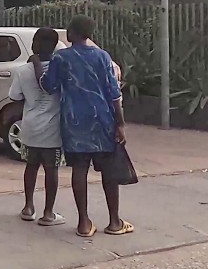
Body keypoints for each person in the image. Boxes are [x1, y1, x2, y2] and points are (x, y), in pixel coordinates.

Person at [37, 15, 131, 238]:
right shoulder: (102, 56)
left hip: (73, 121)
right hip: (102, 120)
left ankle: (84, 224)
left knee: (79, 169)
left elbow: (49, 86)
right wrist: (120, 123)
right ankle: (115, 222)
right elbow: (114, 93)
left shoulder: (61, 58)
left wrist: (37, 67)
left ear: (73, 33)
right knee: (108, 170)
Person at [9, 28, 64, 226]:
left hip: (30, 128)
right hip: (53, 130)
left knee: (31, 167)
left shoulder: (23, 70)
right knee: (52, 170)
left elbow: (14, 96)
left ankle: (28, 207)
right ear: (56, 46)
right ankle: (48, 213)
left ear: (34, 44)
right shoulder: (61, 70)